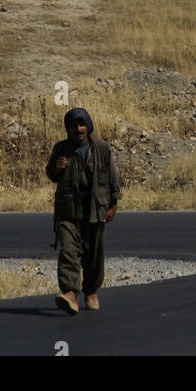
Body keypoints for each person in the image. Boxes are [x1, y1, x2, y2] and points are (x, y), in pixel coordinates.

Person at [46, 107, 121, 314]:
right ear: (68, 129)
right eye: (74, 126)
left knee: (94, 255)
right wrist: (58, 168)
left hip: (96, 210)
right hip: (68, 212)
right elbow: (51, 175)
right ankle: (70, 293)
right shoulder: (60, 149)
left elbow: (112, 178)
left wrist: (113, 205)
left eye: (82, 125)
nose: (78, 129)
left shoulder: (101, 148)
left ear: (88, 126)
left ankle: (91, 291)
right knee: (69, 252)